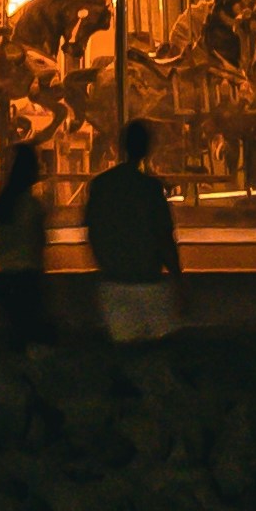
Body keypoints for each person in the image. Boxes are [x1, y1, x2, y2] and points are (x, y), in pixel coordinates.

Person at [82, 118, 184, 343]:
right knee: (159, 351)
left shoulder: (102, 185)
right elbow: (163, 236)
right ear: (148, 148)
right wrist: (178, 277)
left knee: (124, 351)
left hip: (114, 280)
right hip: (148, 281)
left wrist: (106, 263)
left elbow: (92, 231)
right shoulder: (150, 189)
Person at [0, 138, 59, 346]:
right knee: (32, 338)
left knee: (14, 339)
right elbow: (38, 241)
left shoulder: (5, 202)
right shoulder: (30, 205)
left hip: (6, 275)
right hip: (27, 277)